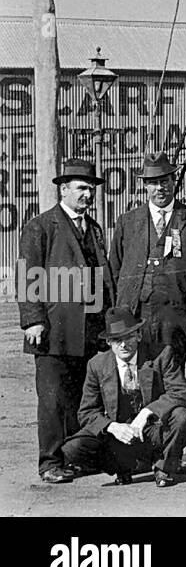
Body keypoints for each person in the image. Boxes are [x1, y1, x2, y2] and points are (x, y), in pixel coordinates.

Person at [18, 158, 112, 484]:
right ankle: (50, 462)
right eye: (82, 188)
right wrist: (32, 321)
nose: (88, 195)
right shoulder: (40, 227)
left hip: (89, 332)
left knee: (80, 399)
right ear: (64, 189)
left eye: (91, 189)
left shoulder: (94, 229)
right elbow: (28, 277)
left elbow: (101, 278)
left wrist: (106, 324)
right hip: (53, 333)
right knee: (54, 400)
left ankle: (75, 457)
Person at [62, 308, 186, 488]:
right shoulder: (97, 365)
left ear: (138, 336)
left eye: (128, 337)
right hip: (120, 438)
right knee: (73, 448)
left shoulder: (161, 355)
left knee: (185, 417)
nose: (123, 345)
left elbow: (182, 392)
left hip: (153, 431)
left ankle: (163, 466)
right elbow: (86, 412)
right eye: (116, 340)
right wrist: (112, 427)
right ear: (108, 342)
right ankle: (123, 466)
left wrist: (148, 412)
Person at [109, 151, 186, 363]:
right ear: (145, 186)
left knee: (172, 374)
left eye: (164, 181)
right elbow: (114, 271)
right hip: (134, 315)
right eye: (153, 183)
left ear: (174, 180)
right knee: (137, 374)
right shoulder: (127, 223)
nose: (160, 188)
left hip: (177, 317)